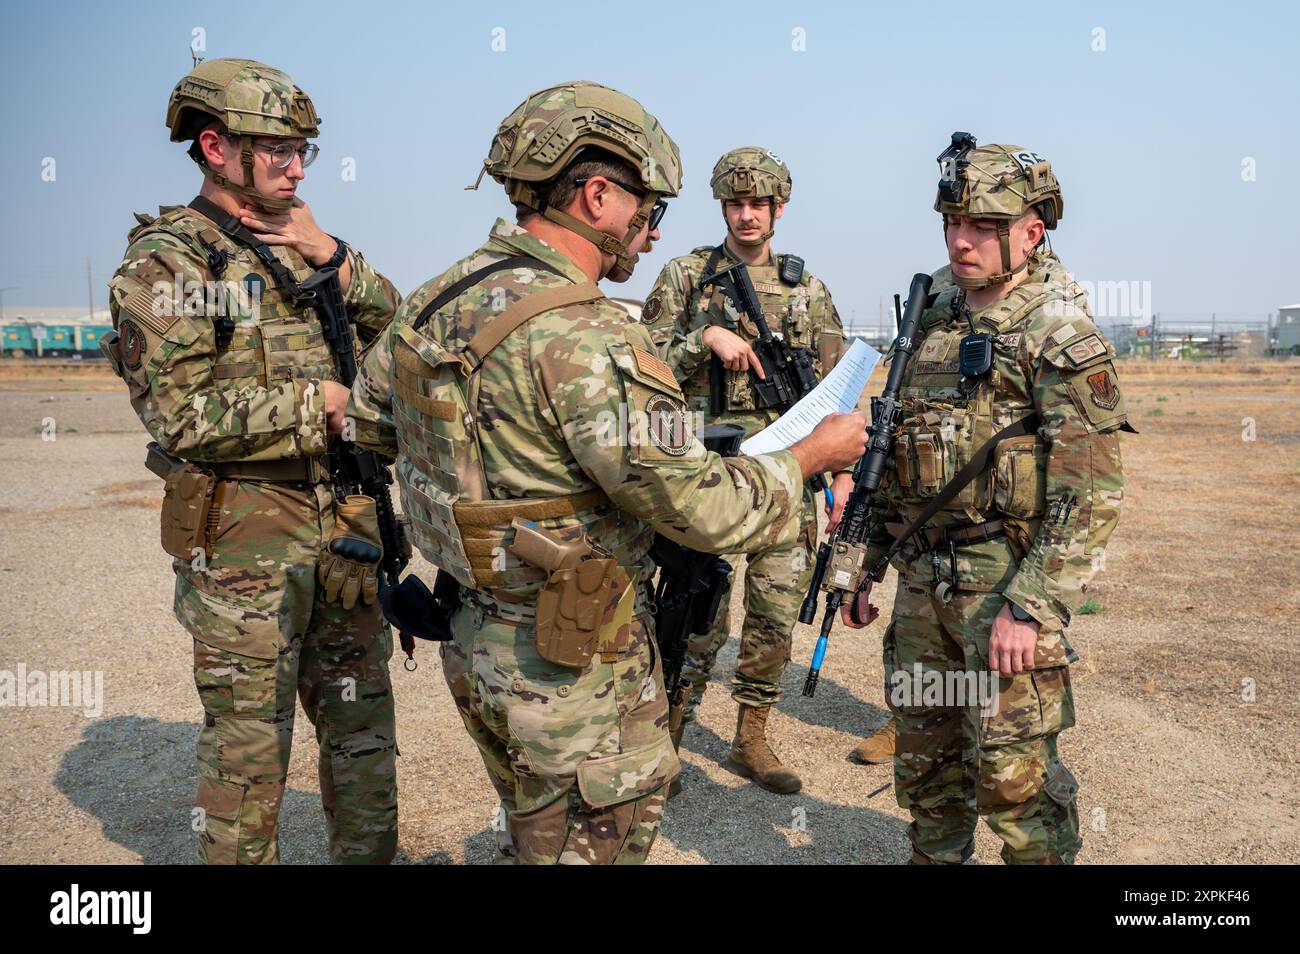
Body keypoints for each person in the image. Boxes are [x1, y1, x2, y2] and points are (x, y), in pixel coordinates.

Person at [345, 82, 867, 864]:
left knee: (534, 834)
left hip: (471, 632)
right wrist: (809, 459)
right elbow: (698, 508)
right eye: (647, 212)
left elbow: (372, 424)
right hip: (569, 665)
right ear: (596, 196)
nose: (650, 236)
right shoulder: (588, 338)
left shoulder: (437, 296)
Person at [101, 58, 400, 864]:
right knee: (248, 753)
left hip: (345, 527)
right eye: (276, 148)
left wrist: (334, 252)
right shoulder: (172, 261)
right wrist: (323, 406)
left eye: (303, 147)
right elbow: (180, 413)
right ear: (213, 147)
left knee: (363, 732)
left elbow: (402, 337)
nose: (297, 165)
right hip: (242, 543)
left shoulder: (307, 245)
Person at [842, 134, 1131, 864]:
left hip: (1002, 587)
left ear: (1032, 234)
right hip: (921, 586)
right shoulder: (932, 319)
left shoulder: (1057, 334)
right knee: (925, 764)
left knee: (1014, 781)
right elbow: (892, 450)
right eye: (953, 223)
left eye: (984, 228)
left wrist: (1030, 605)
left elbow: (1088, 491)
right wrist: (862, 561)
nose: (961, 241)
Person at [641, 147, 850, 795]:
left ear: (779, 208)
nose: (747, 215)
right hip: (705, 474)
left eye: (758, 204)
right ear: (722, 207)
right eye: (735, 204)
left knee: (774, 611)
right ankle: (665, 739)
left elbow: (837, 391)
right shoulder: (684, 277)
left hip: (790, 473)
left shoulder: (808, 291)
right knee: (695, 610)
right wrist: (699, 340)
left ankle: (750, 737)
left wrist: (841, 478)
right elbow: (635, 365)